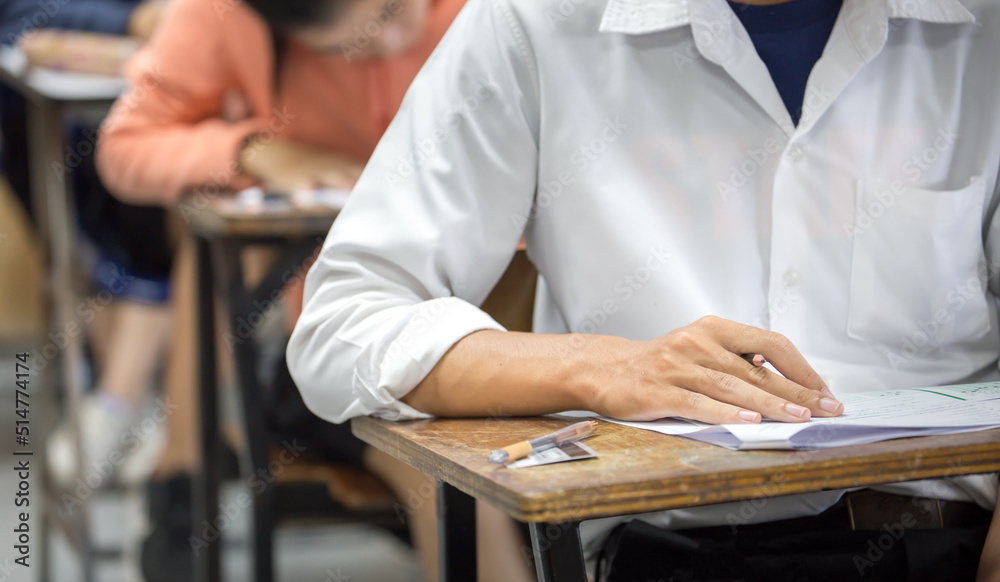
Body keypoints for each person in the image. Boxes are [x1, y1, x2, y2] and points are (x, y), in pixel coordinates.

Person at [286, 0, 1000, 579]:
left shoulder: (983, 28)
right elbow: (344, 321)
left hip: (953, 542)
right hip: (672, 552)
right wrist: (600, 366)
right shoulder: (533, 22)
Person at [97, 1, 537, 581]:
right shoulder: (221, 14)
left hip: (519, 321)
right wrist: (252, 150)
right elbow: (126, 145)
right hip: (351, 343)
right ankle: (180, 484)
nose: (398, 38)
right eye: (359, 35)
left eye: (399, 7)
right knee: (453, 477)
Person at [0, 0, 172, 490]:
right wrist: (131, 25)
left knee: (158, 228)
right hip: (49, 122)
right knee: (89, 245)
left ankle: (121, 405)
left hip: (157, 119)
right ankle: (124, 405)